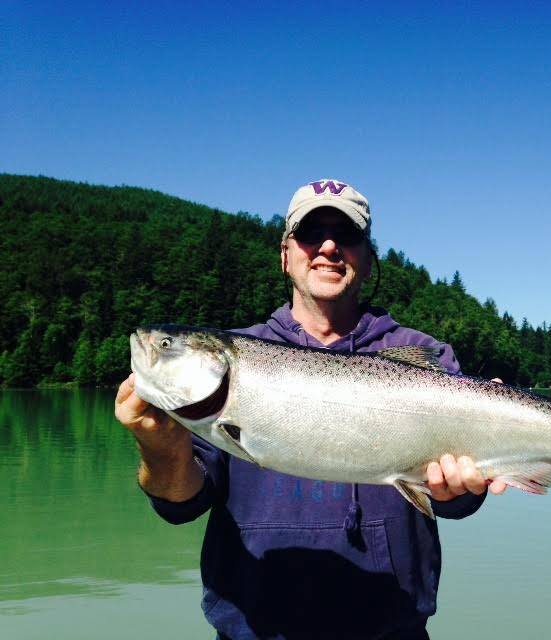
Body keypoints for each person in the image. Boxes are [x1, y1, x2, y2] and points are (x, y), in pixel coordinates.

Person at [115, 179, 506, 640]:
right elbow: (180, 503)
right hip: (255, 630)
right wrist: (160, 447)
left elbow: (461, 503)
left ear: (368, 256)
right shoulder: (241, 357)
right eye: (310, 233)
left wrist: (457, 491)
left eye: (346, 235)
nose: (327, 246)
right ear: (285, 254)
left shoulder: (423, 353)